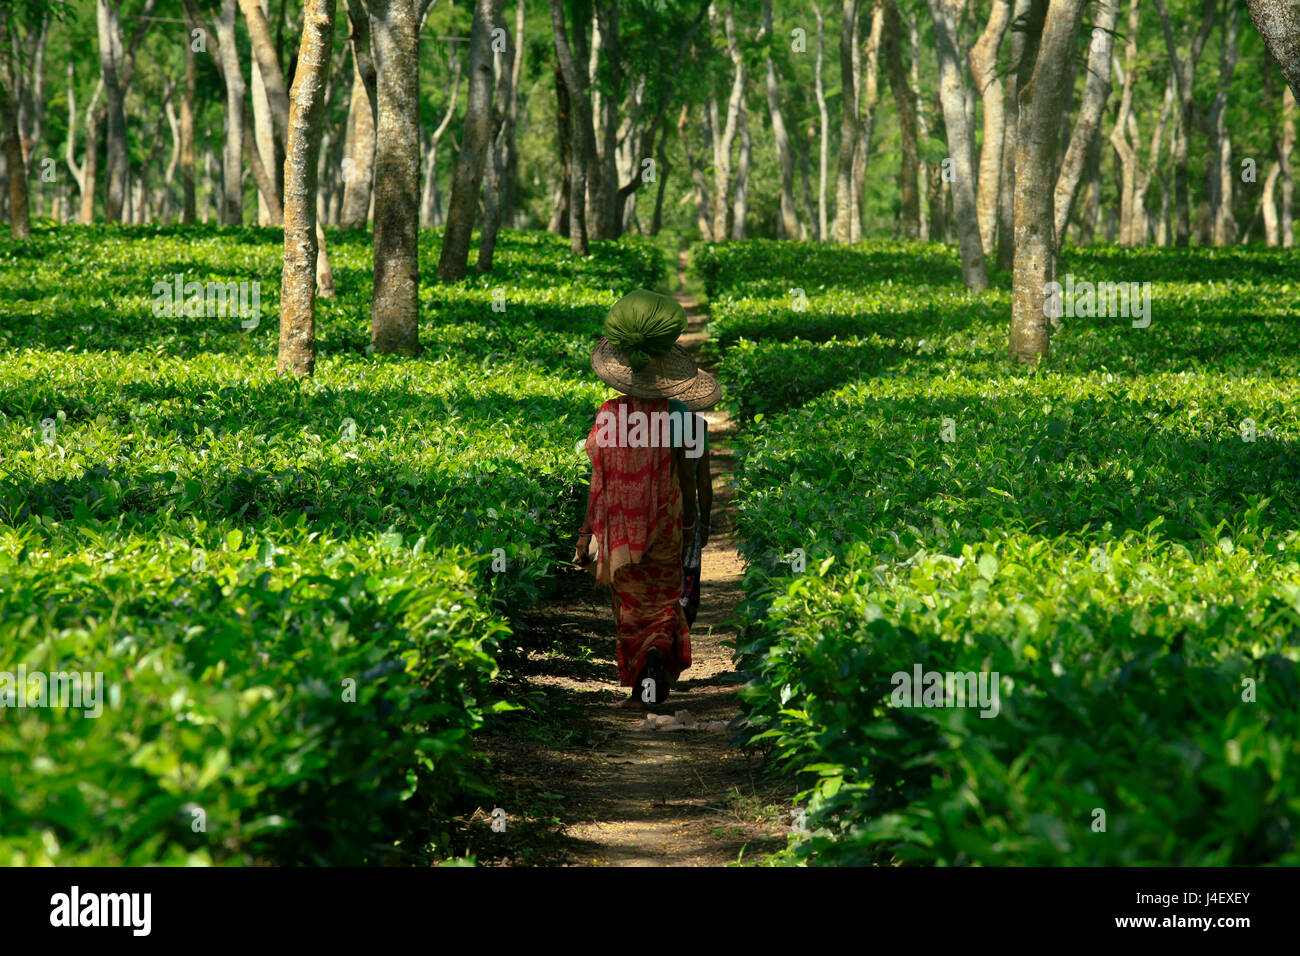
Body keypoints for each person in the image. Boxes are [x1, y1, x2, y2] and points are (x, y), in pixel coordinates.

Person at [573, 290, 720, 713]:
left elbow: (597, 479)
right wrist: (692, 524)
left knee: (631, 605)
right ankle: (657, 657)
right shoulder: (679, 418)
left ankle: (642, 679)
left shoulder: (609, 415)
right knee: (661, 603)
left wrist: (586, 534)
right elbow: (689, 480)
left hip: (619, 526)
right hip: (666, 524)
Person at [669, 398, 712, 626]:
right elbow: (702, 481)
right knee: (687, 574)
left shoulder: (641, 423)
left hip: (647, 514)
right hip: (685, 515)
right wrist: (704, 524)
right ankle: (678, 629)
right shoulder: (696, 426)